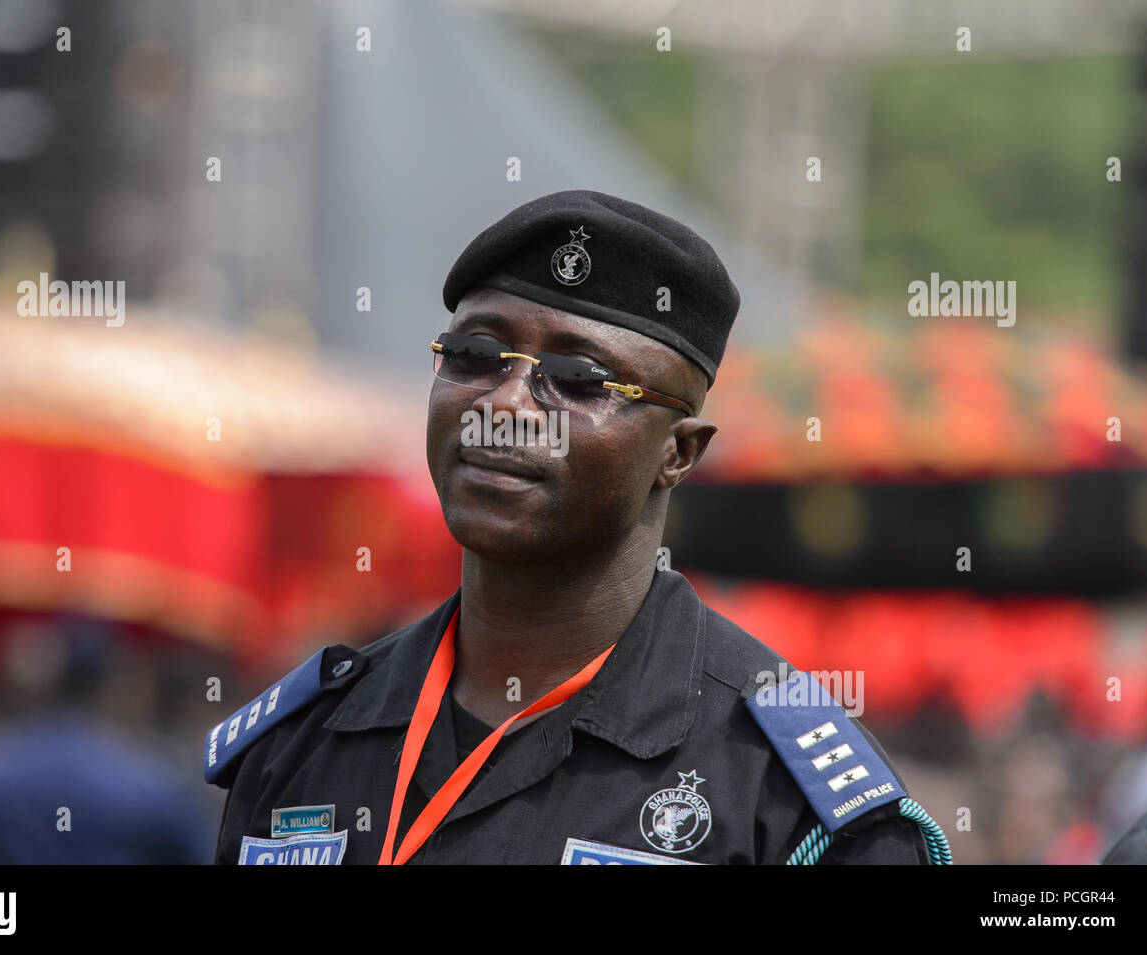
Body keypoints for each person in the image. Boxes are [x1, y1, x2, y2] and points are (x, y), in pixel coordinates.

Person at [205, 189, 950, 865]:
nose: (505, 405)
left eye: (579, 379)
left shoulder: (783, 791)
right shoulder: (303, 740)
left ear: (678, 451)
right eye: (474, 354)